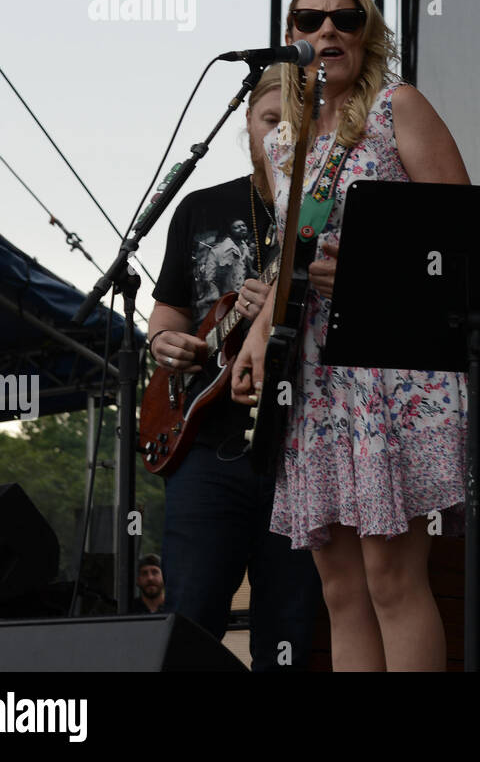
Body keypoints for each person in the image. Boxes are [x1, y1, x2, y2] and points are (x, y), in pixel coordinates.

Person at [230, 0, 480, 673]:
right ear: (291, 38)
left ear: (365, 32)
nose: (327, 31)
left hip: (394, 366)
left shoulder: (395, 108)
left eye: (344, 19)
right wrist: (255, 339)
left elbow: (465, 235)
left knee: (390, 578)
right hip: (316, 377)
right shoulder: (284, 142)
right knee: (341, 590)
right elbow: (288, 265)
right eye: (311, 20)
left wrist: (372, 270)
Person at [148, 65, 323, 669]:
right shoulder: (200, 208)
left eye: (293, 125)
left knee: (291, 626)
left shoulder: (327, 207)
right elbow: (166, 314)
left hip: (302, 444)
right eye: (269, 120)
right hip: (203, 442)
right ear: (246, 125)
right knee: (189, 620)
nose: (279, 135)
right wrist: (165, 345)